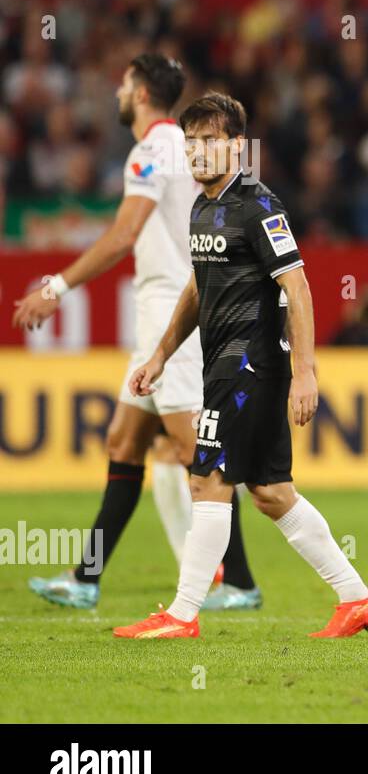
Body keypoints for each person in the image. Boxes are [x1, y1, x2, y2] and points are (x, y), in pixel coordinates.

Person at [113, 92, 368, 639]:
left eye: (210, 141)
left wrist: (305, 372)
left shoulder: (258, 205)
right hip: (221, 362)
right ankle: (356, 598)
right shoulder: (202, 206)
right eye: (191, 142)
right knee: (270, 493)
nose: (198, 151)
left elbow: (298, 286)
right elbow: (197, 285)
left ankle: (183, 614)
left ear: (237, 146)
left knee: (208, 479)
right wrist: (162, 353)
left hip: (250, 365)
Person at [14, 54, 260, 612]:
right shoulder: (183, 146)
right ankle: (86, 577)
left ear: (143, 93)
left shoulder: (150, 150)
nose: (119, 90)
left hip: (171, 313)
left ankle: (238, 581)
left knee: (196, 452)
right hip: (174, 305)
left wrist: (55, 287)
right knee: (125, 443)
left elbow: (125, 234)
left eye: (125, 83)